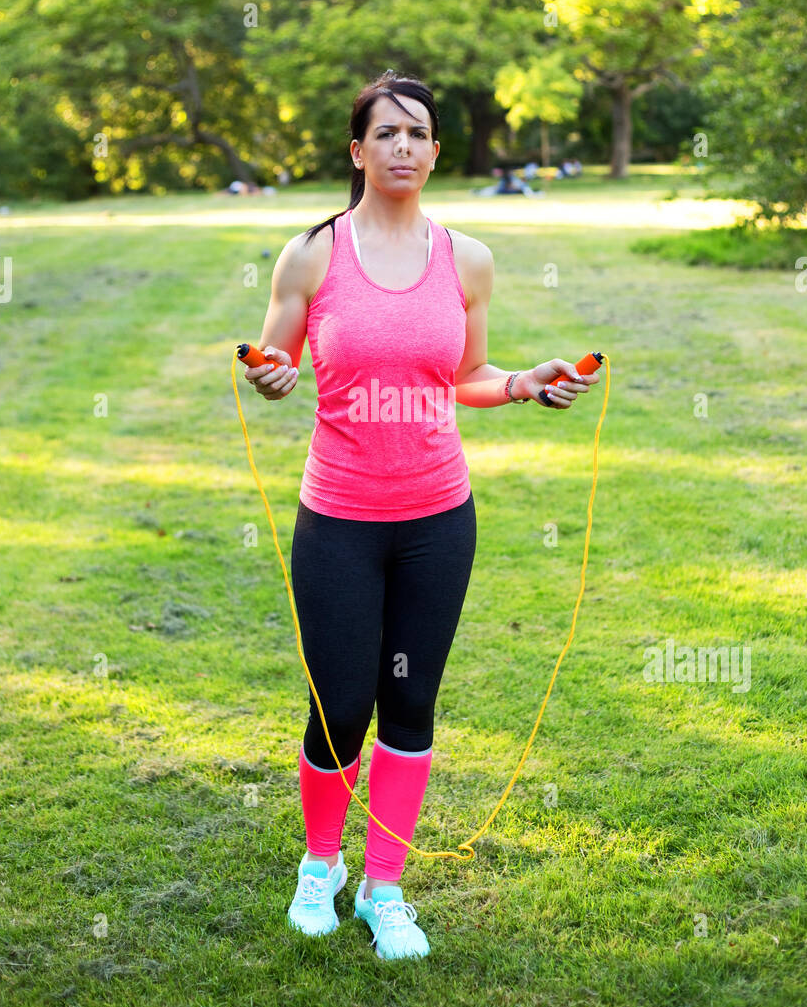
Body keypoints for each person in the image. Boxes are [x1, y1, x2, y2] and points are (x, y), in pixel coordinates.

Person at [242, 69, 598, 961]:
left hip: (439, 518)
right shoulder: (311, 255)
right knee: (340, 707)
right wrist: (266, 374)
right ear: (357, 152)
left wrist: (521, 384)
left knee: (411, 701)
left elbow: (466, 377)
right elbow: (272, 358)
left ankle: (384, 887)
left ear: (437, 153)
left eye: (419, 134)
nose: (403, 146)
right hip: (340, 521)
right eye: (386, 134)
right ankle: (318, 866)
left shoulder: (467, 258)